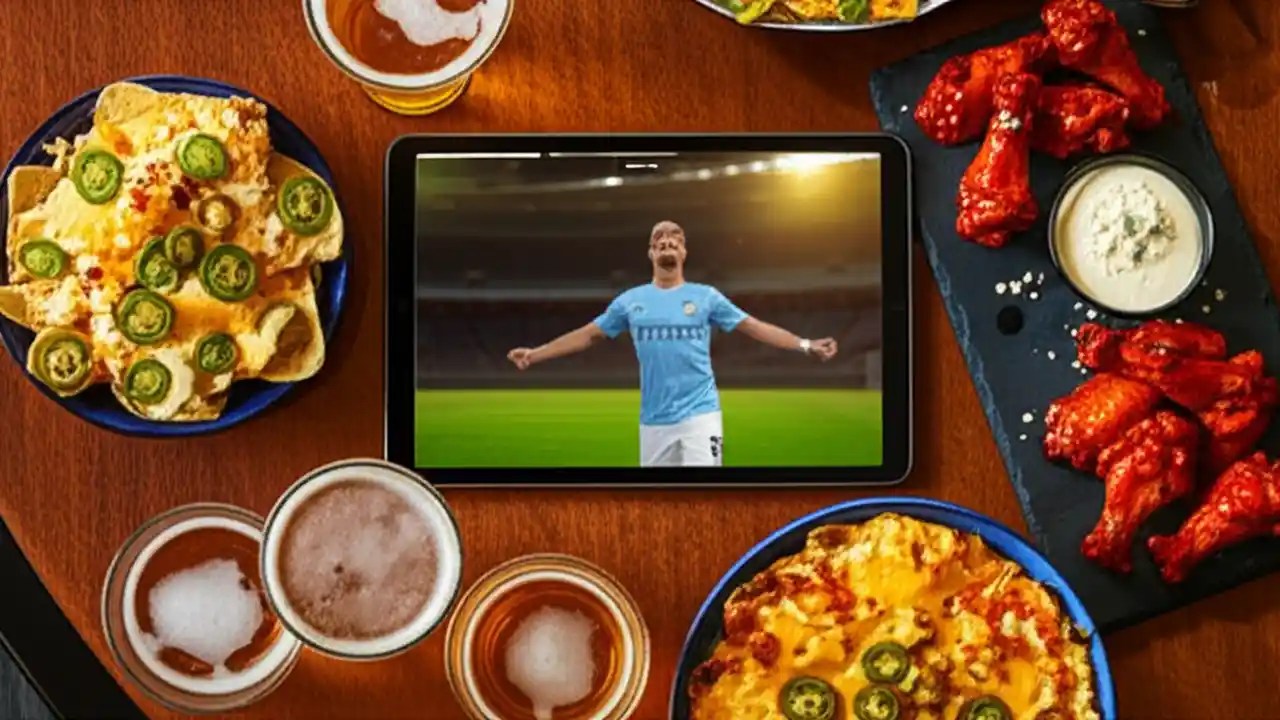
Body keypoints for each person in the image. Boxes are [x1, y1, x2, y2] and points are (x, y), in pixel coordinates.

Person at [507, 220, 838, 467]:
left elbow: (753, 327)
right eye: (658, 239)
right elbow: (587, 335)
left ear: (683, 251)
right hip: (654, 421)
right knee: (658, 500)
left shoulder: (706, 297)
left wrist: (805, 344)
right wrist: (536, 354)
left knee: (706, 497)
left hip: (700, 415)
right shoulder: (630, 301)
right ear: (651, 253)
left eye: (674, 238)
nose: (666, 240)